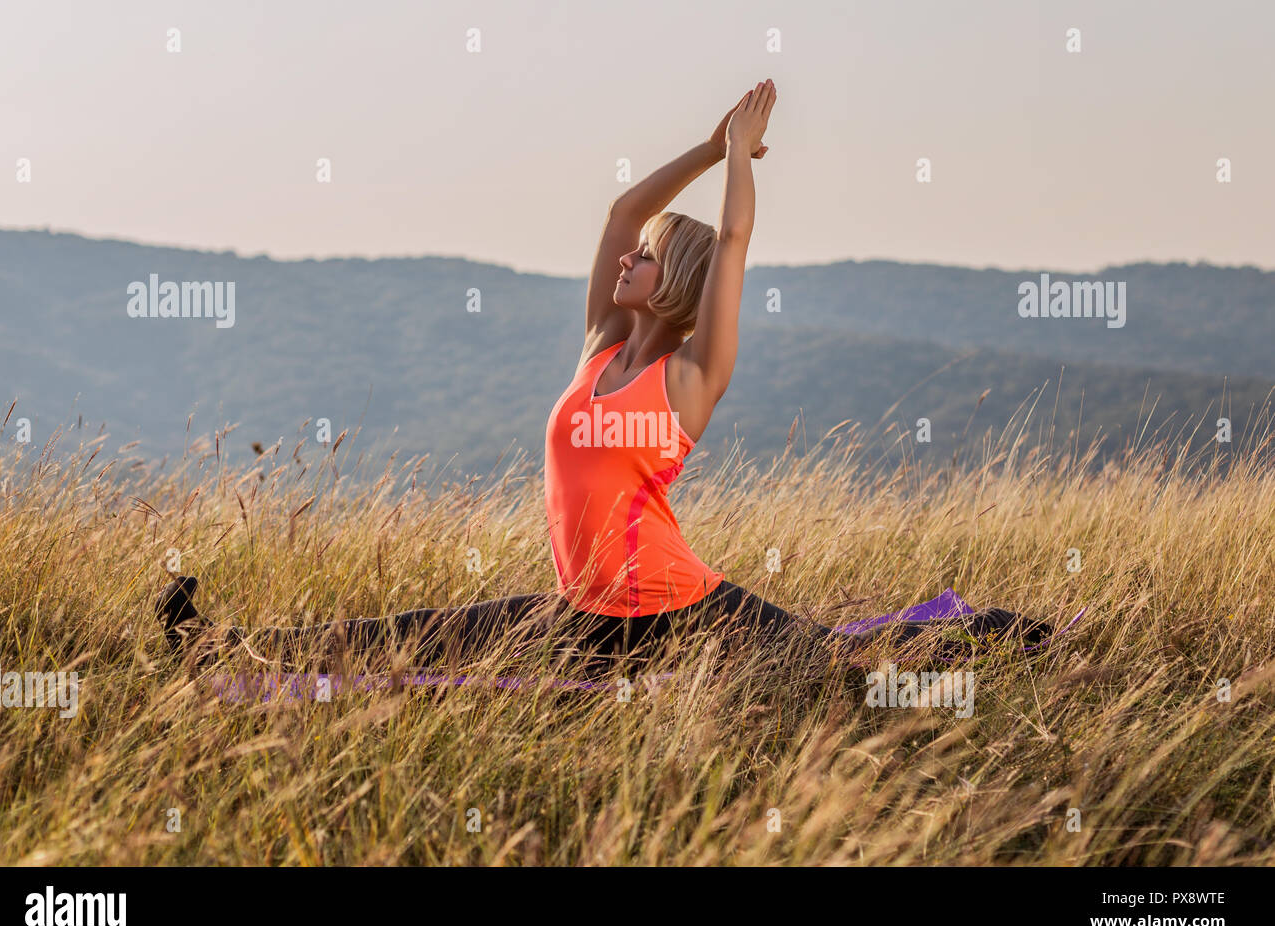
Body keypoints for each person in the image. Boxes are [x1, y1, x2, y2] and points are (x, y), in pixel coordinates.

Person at [156, 80, 1052, 674]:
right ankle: (215, 649)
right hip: (582, 607)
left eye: (650, 258)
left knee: (835, 658)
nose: (630, 254)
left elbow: (734, 241)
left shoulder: (693, 377)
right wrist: (706, 147)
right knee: (408, 634)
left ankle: (1006, 637)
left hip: (678, 609)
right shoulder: (595, 346)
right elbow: (627, 207)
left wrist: (741, 155)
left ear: (681, 286)